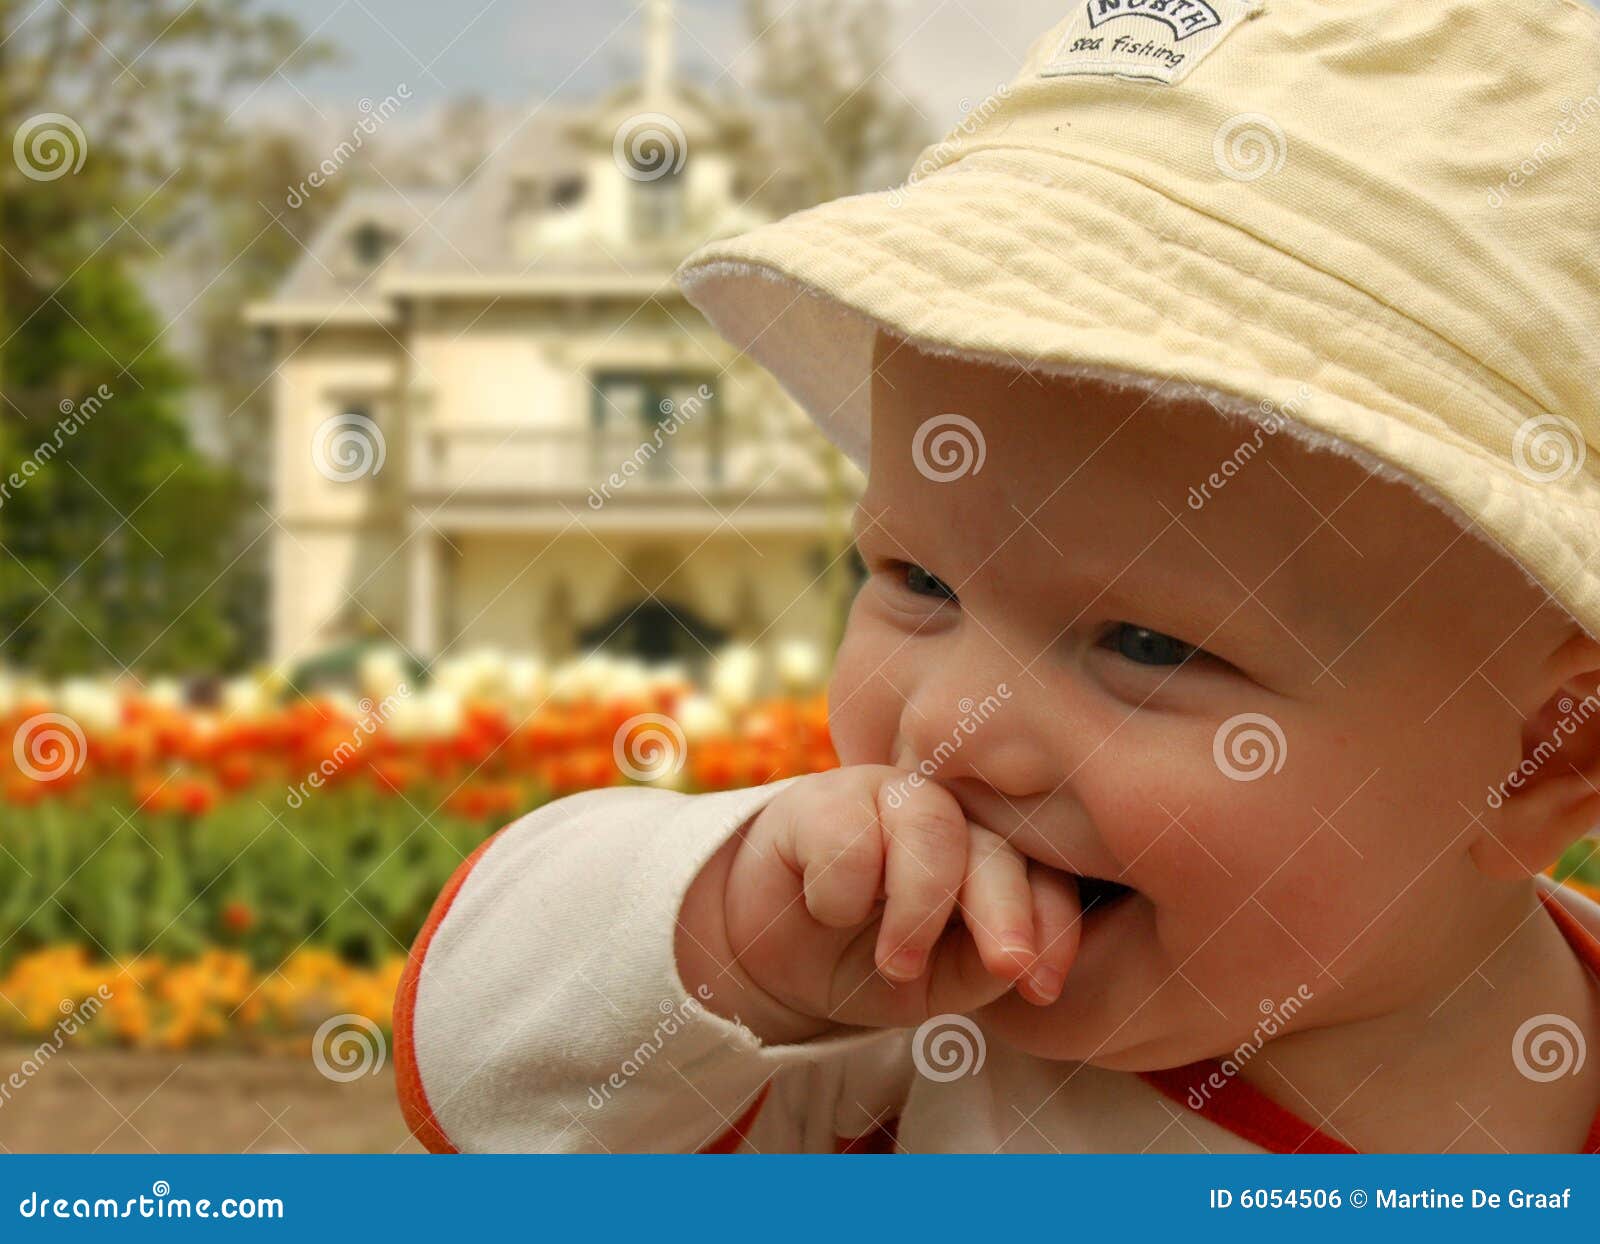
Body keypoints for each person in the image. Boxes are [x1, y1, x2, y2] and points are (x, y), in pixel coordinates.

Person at [394, 0, 1600, 1152]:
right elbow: (500, 1076)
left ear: (1552, 752)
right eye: (918, 576)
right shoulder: (882, 1047)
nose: (947, 726)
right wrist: (738, 938)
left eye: (1147, 644)